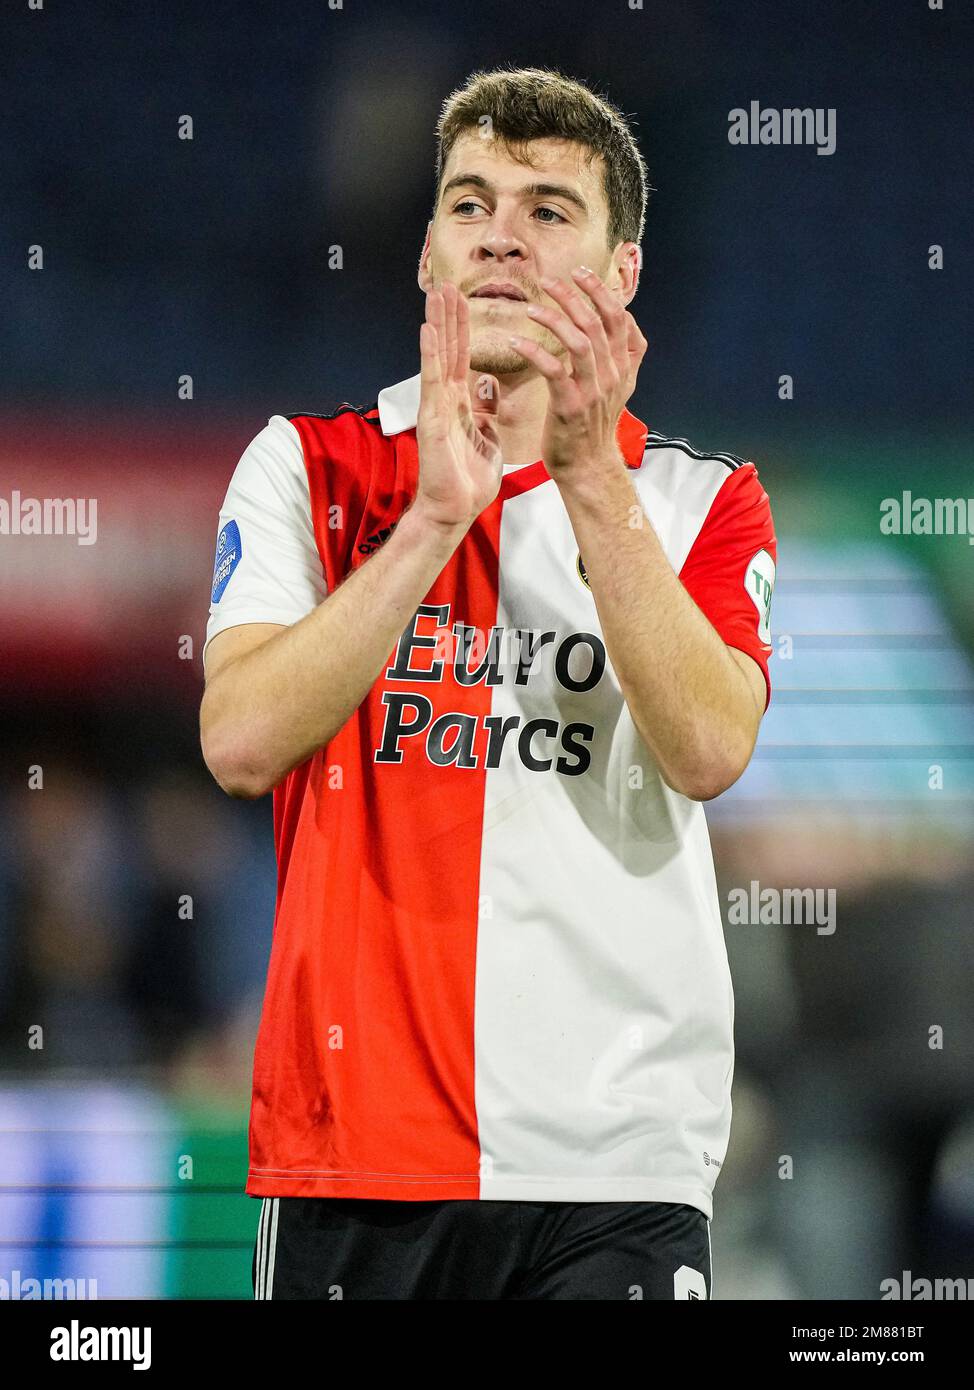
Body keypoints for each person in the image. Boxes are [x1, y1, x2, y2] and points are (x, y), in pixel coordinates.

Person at [200, 66, 777, 1300]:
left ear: (620, 276)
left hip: (615, 1164)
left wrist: (586, 478)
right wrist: (428, 525)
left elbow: (709, 749)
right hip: (352, 1156)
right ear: (425, 256)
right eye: (469, 203)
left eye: (548, 210)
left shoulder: (698, 502)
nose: (500, 234)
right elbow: (241, 739)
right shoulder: (308, 466)